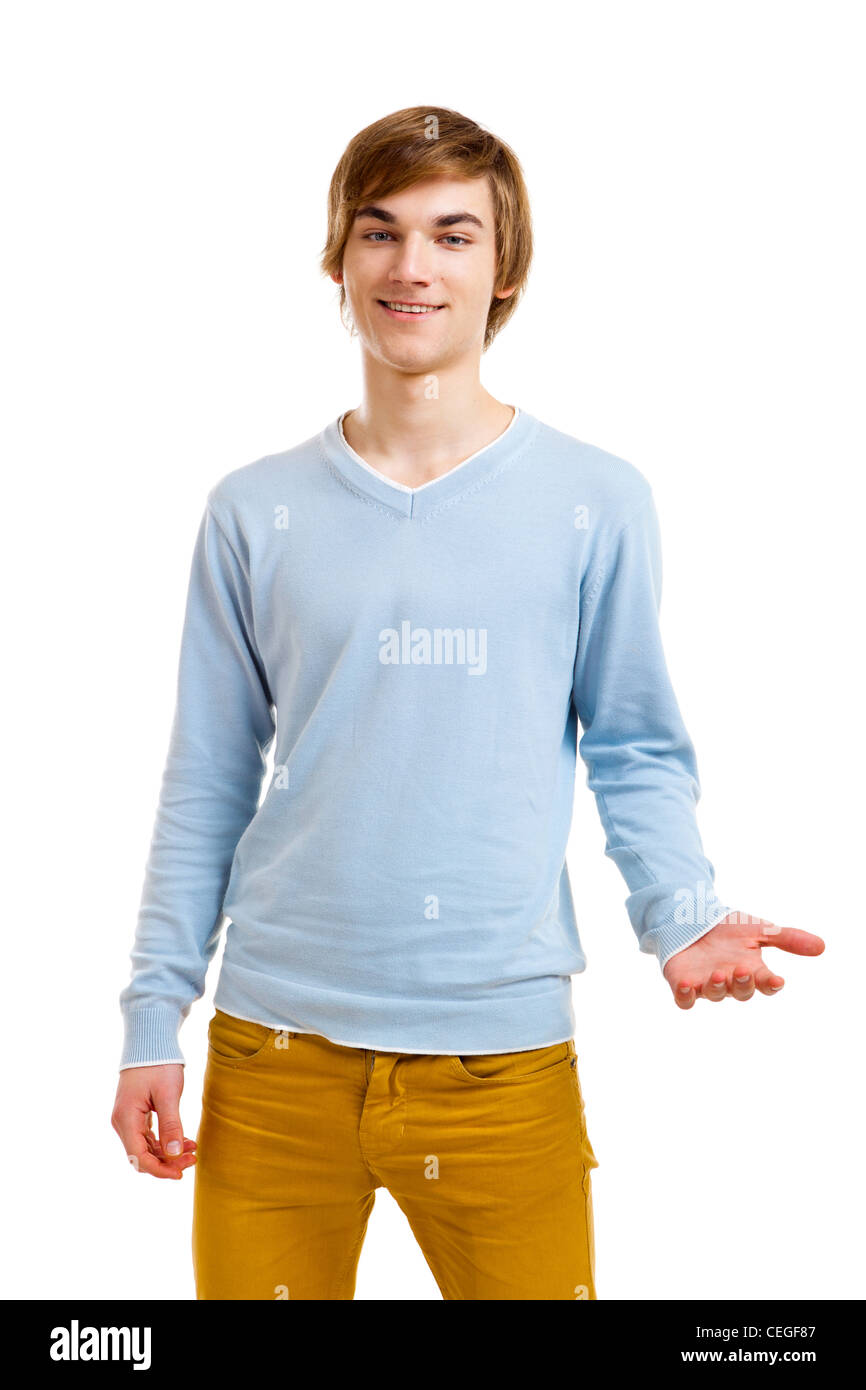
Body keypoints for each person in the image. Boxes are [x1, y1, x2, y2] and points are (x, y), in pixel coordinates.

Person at [111, 105, 824, 1301]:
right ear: (339, 260)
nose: (411, 266)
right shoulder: (252, 510)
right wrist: (151, 1016)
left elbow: (634, 742)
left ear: (503, 270)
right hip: (272, 1052)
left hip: (498, 1060)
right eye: (379, 232)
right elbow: (207, 775)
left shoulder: (594, 498)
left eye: (452, 235)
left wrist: (678, 911)